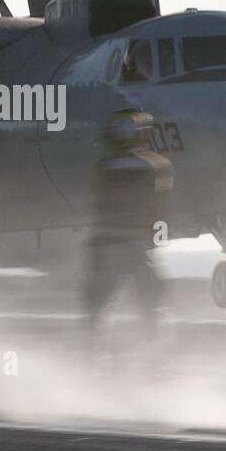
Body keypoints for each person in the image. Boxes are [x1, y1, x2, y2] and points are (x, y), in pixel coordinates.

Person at [83, 109, 173, 332]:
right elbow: (159, 210)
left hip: (108, 244)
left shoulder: (104, 167)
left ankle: (93, 352)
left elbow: (97, 208)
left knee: (98, 308)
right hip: (138, 244)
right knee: (151, 305)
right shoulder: (156, 166)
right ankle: (153, 352)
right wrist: (157, 241)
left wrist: (94, 245)